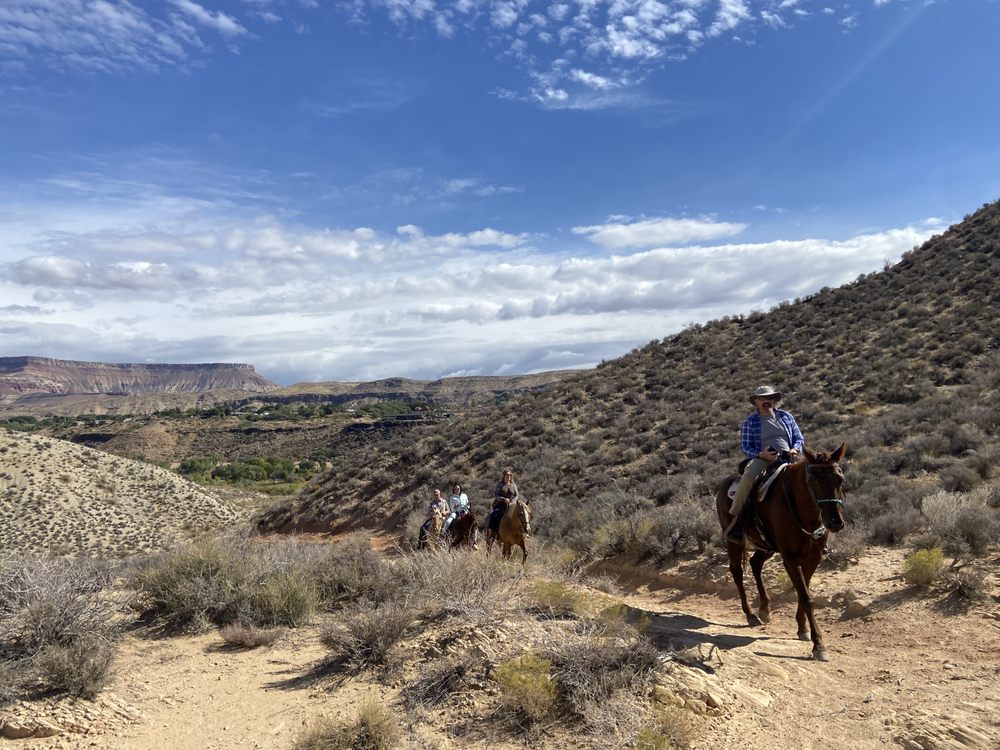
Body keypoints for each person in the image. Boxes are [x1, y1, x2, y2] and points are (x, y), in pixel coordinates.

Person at [726, 385, 805, 542]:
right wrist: (761, 454)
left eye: (769, 398)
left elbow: (799, 437)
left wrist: (795, 449)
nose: (767, 401)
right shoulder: (750, 422)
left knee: (815, 476)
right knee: (748, 477)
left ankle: (819, 526)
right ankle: (737, 520)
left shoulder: (786, 417)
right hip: (763, 458)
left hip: (791, 456)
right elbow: (745, 447)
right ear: (756, 402)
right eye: (762, 399)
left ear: (774, 400)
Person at [488, 468, 518, 537]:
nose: (508, 477)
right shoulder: (500, 484)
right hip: (500, 504)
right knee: (495, 515)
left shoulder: (513, 485)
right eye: (507, 475)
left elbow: (516, 495)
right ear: (504, 476)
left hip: (511, 504)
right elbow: (495, 494)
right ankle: (493, 532)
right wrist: (504, 499)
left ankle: (522, 532)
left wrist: (513, 500)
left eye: (510, 475)